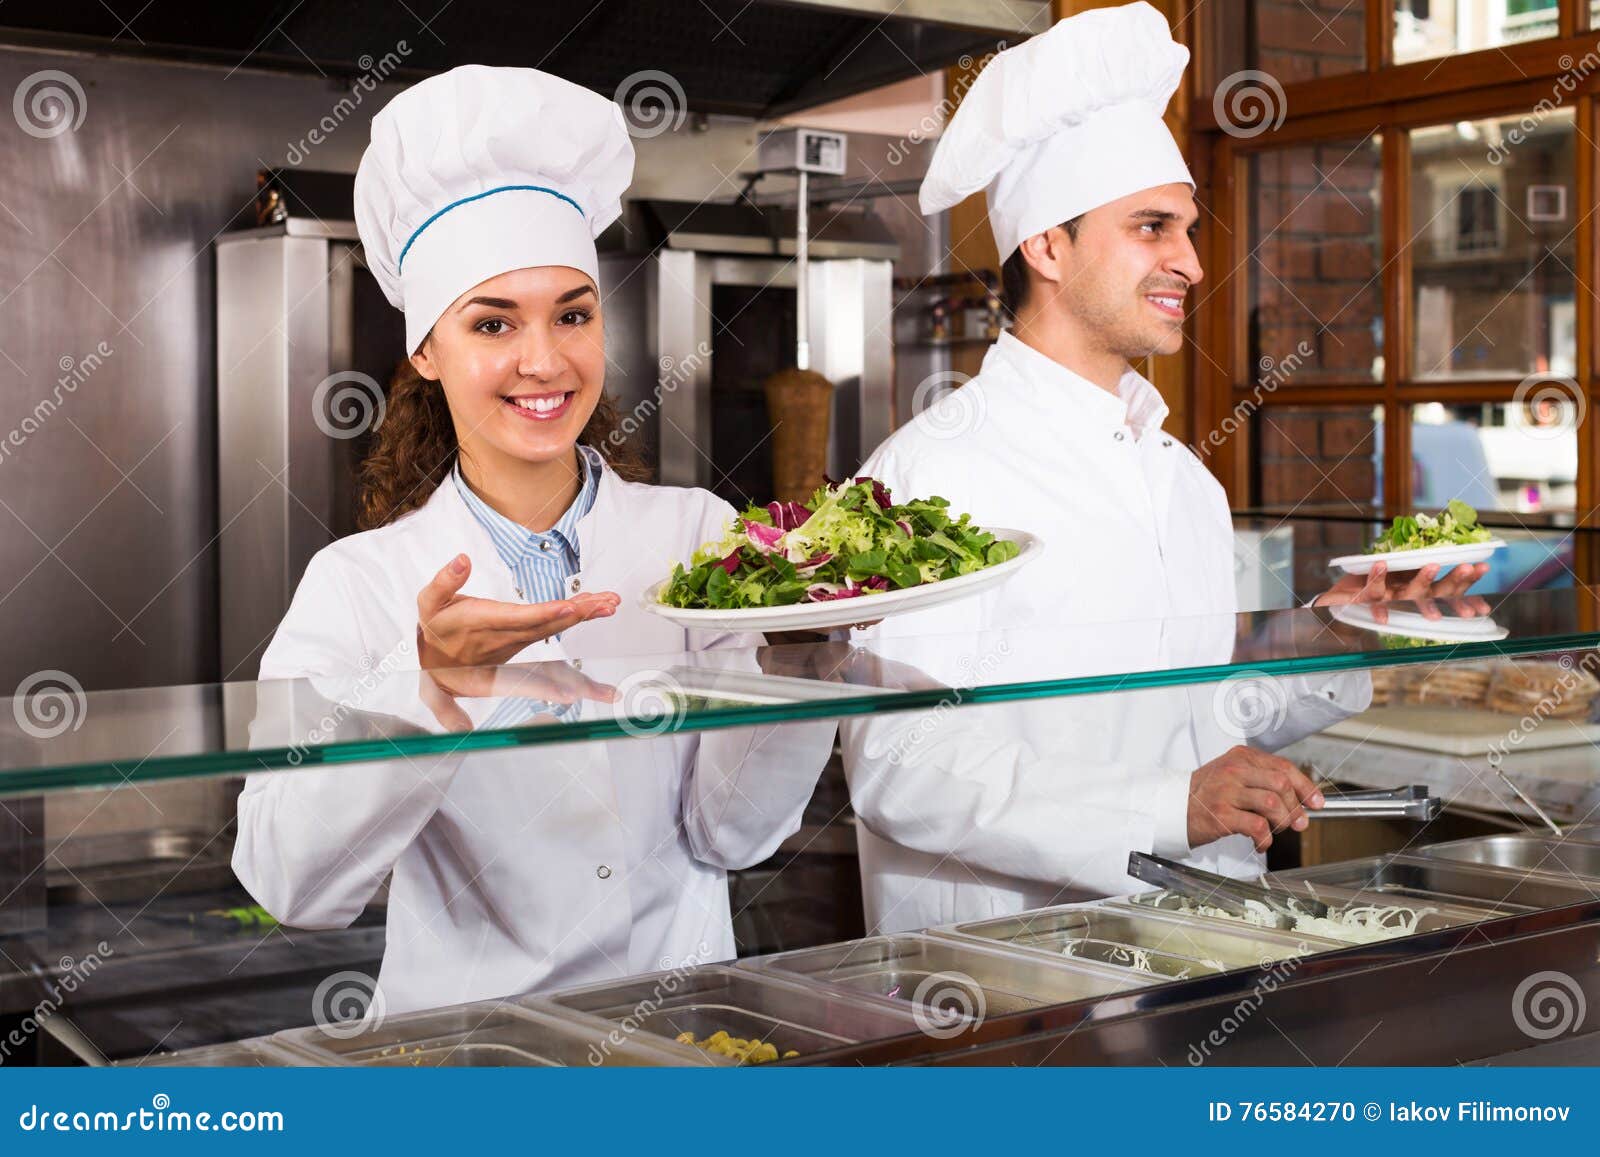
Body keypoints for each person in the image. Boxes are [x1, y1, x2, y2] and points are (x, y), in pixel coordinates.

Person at [840, 3, 1488, 932]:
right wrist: (1168, 805)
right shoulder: (928, 479)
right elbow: (905, 772)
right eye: (1152, 227)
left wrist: (1344, 631)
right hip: (1013, 979)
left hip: (1202, 944)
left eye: (1186, 228)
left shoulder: (1181, 478)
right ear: (1047, 245)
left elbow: (1198, 713)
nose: (1189, 260)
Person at [232, 65, 832, 1015]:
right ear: (426, 350)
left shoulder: (699, 540)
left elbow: (737, 836)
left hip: (678, 1044)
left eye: (573, 314)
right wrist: (427, 690)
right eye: (492, 323)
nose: (544, 360)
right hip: (469, 1056)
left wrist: (803, 655)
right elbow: (289, 885)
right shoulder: (357, 583)